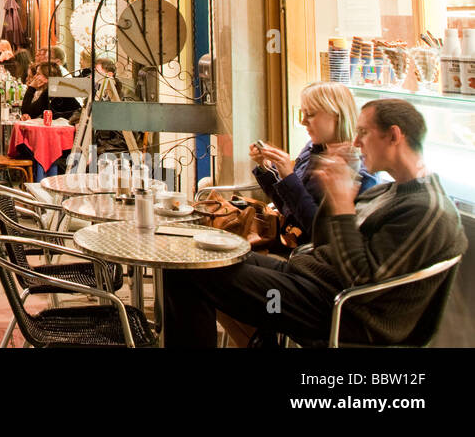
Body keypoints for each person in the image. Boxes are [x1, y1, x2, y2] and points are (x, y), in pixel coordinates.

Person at [163, 98, 467, 347]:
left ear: (394, 135)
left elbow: (361, 279)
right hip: (305, 277)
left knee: (189, 275)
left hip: (335, 309)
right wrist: (336, 200)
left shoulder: (425, 209)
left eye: (364, 132)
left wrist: (344, 204)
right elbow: (322, 241)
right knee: (193, 261)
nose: (357, 142)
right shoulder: (392, 190)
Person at [249, 82, 378, 245]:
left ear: (337, 115)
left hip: (313, 257)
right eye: (303, 114)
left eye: (310, 114)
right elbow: (289, 210)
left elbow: (322, 235)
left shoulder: (361, 172)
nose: (303, 122)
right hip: (291, 244)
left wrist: (288, 177)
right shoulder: (312, 149)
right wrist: (267, 168)